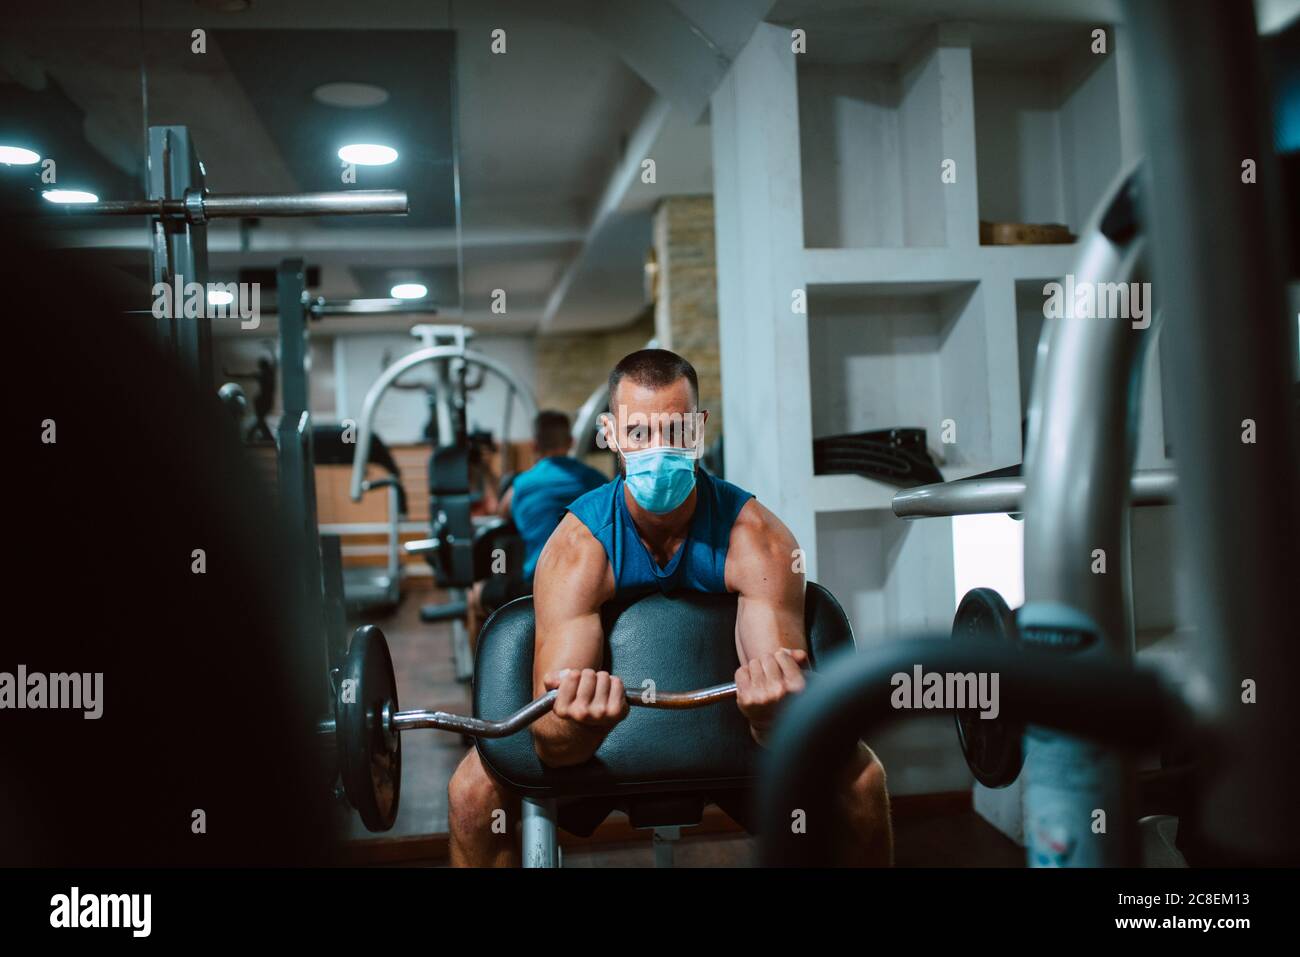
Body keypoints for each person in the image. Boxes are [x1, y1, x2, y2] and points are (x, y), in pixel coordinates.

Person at [448, 349, 892, 866]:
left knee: (863, 781)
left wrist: (772, 714)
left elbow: (788, 717)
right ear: (611, 435)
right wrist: (581, 724)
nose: (658, 450)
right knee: (472, 797)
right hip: (599, 749)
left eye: (676, 431)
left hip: (736, 741)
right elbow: (553, 744)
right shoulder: (576, 551)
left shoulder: (759, 541)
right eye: (639, 434)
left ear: (699, 429)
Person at [466, 410, 606, 645]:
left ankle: (481, 676)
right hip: (589, 583)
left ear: (533, 445)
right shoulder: (597, 480)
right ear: (571, 442)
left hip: (535, 586)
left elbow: (500, 515)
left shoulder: (521, 485)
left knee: (474, 596)